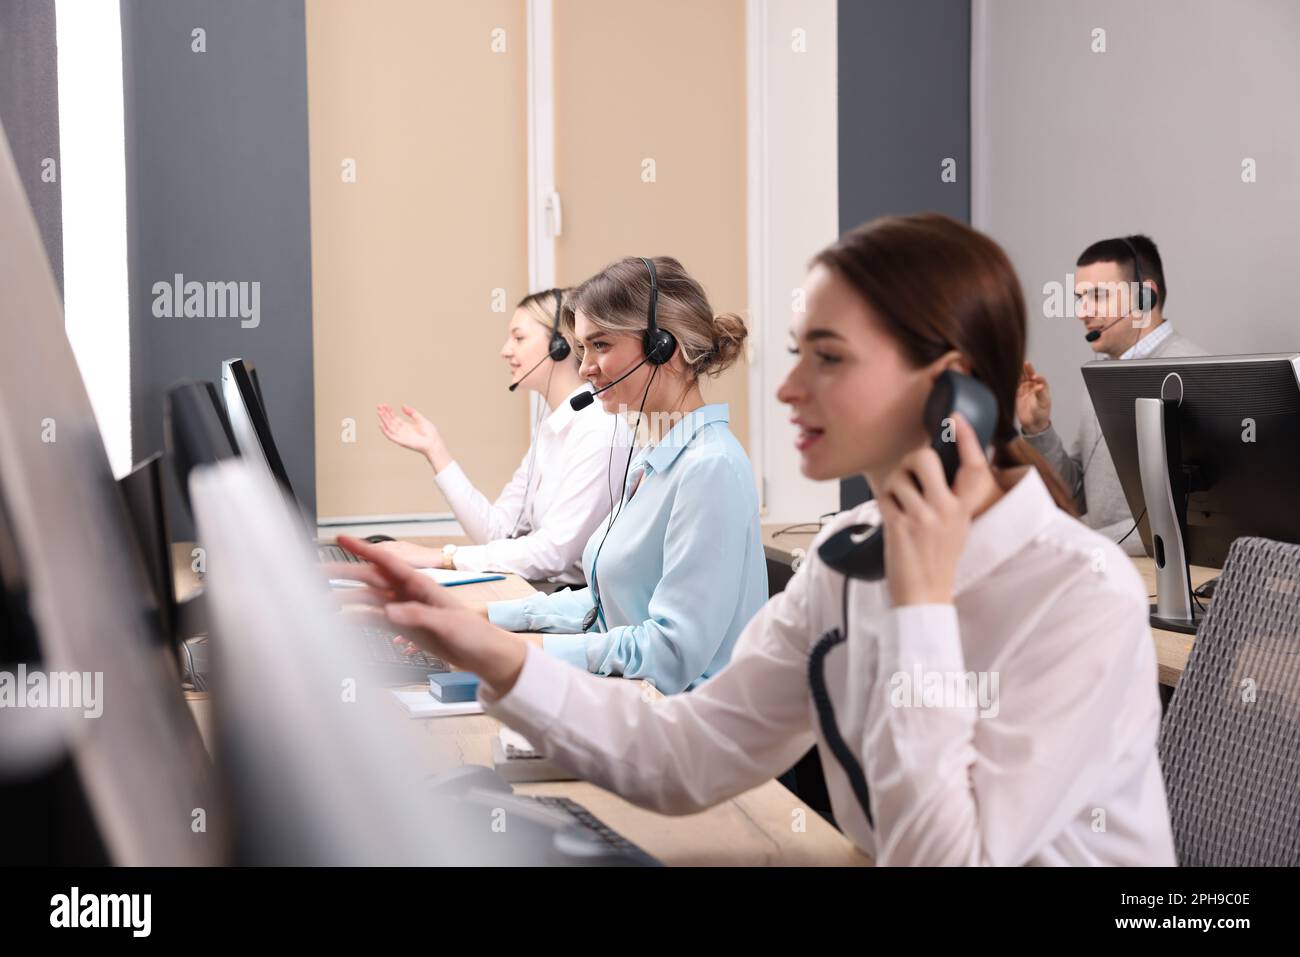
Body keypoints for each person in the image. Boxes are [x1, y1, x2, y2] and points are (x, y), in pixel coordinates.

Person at [340, 216, 1176, 865]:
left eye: (830, 358)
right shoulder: (849, 554)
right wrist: (484, 651)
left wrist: (918, 610)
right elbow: (684, 752)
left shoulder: (1081, 593)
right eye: (794, 353)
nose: (787, 387)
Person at [374, 289, 628, 586]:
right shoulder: (551, 428)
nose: (506, 350)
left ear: (560, 346)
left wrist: (441, 557)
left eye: (519, 338)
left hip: (579, 605)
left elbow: (553, 553)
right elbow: (495, 532)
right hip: (549, 591)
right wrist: (435, 450)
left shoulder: (599, 427)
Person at [1018, 235, 1208, 554]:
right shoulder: (1104, 372)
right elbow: (1076, 497)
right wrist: (1039, 429)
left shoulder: (1190, 374)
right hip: (1103, 561)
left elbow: (1193, 513)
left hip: (1150, 576)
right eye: (1080, 297)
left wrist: (1083, 541)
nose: (1083, 311)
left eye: (1098, 296)